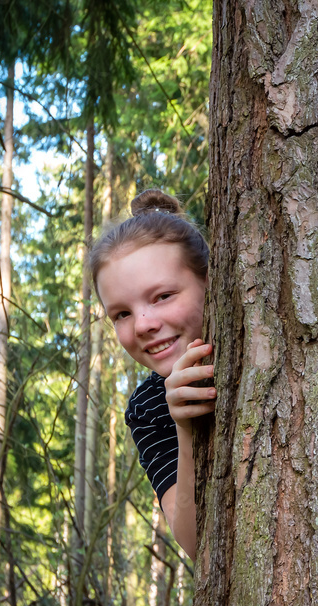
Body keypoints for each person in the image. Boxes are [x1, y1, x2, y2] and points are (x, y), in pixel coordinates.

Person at [89, 189, 214, 560]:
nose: (142, 324)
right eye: (122, 314)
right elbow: (194, 543)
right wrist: (184, 427)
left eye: (162, 296)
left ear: (210, 281)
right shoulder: (147, 407)